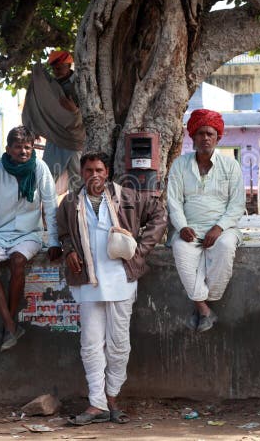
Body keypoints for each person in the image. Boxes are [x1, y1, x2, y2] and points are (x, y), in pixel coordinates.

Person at [58, 152, 167, 426]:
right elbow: (62, 231)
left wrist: (140, 251)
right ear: (81, 173)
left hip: (121, 279)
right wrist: (69, 249)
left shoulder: (127, 196)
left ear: (107, 173)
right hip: (87, 281)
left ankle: (113, 398)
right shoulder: (71, 202)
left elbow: (159, 215)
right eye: (88, 170)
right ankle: (96, 404)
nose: (94, 175)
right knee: (90, 344)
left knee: (119, 345)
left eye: (99, 170)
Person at [0, 126, 60, 352]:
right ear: (8, 149)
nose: (23, 151)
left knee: (18, 261)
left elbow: (51, 206)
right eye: (18, 147)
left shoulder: (40, 168)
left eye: (27, 147)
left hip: (29, 234)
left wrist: (54, 241)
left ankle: (6, 325)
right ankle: (10, 325)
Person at [167, 109, 246, 332]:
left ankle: (204, 303)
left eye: (210, 133)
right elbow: (174, 202)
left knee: (225, 246)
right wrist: (182, 227)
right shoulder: (180, 165)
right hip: (189, 228)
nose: (205, 138)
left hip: (224, 227)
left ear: (218, 137)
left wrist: (219, 228)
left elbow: (237, 204)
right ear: (192, 137)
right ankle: (203, 309)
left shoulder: (231, 166)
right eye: (200, 133)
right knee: (181, 250)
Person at [22, 50, 85, 194]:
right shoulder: (49, 86)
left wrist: (74, 111)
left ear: (69, 65)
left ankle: (79, 213)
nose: (56, 71)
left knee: (79, 182)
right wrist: (34, 128)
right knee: (45, 178)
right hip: (56, 138)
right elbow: (39, 106)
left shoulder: (82, 83)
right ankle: (38, 212)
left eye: (60, 67)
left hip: (77, 140)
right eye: (54, 69)